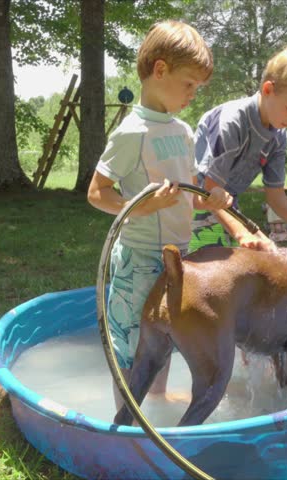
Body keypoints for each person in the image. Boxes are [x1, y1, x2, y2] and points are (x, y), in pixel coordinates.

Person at [87, 20, 232, 403]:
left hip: (177, 257)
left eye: (197, 89)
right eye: (189, 85)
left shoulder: (182, 132)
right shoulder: (132, 132)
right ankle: (127, 417)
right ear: (160, 69)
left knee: (166, 331)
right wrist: (139, 207)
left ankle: (158, 398)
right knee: (133, 342)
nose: (192, 96)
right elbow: (96, 193)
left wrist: (211, 200)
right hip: (140, 258)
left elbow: (189, 194)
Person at [190, 46, 287, 252]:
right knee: (200, 275)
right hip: (193, 209)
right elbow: (207, 192)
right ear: (268, 90)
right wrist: (244, 233)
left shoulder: (278, 136)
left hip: (227, 208)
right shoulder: (231, 122)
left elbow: (275, 196)